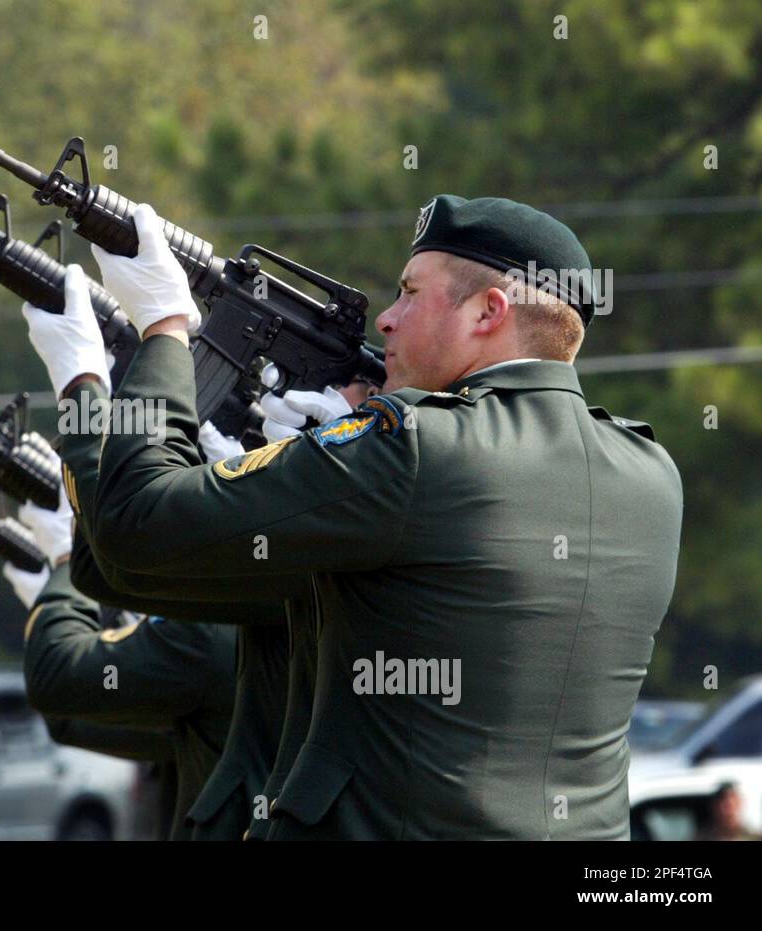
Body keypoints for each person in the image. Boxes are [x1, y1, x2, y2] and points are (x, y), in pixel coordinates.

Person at [58, 193, 682, 839]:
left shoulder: (407, 446)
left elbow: (135, 526)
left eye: (411, 293)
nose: (387, 318)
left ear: (488, 312)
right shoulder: (650, 473)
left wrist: (163, 327)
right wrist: (325, 456)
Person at [20, 297, 291, 840]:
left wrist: (84, 385)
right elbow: (73, 708)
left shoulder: (210, 634)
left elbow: (63, 682)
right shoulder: (263, 602)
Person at [4, 483, 237, 841]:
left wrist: (68, 569)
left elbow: (57, 679)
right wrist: (68, 613)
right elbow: (69, 716)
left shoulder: (205, 630)